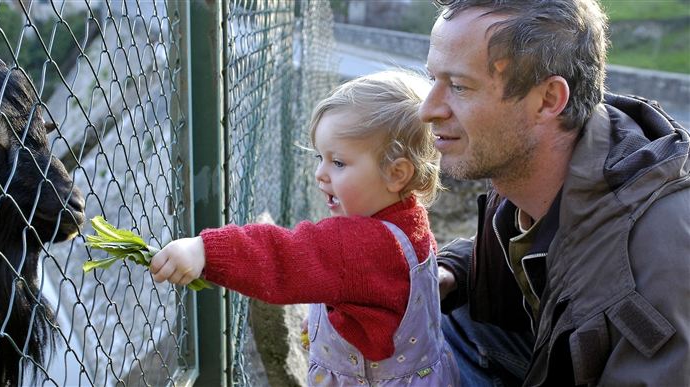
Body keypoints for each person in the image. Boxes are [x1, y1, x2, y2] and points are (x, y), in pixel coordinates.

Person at [422, 0, 690, 386]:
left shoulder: (658, 254)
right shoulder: (534, 165)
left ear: (548, 100)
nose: (428, 110)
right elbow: (546, 257)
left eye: (460, 87)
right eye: (433, 79)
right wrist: (452, 271)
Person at [150, 70, 460, 386]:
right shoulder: (410, 225)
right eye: (319, 158)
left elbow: (286, 254)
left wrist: (205, 250)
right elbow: (376, 314)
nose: (320, 174)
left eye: (338, 162)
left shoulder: (360, 245)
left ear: (397, 174)